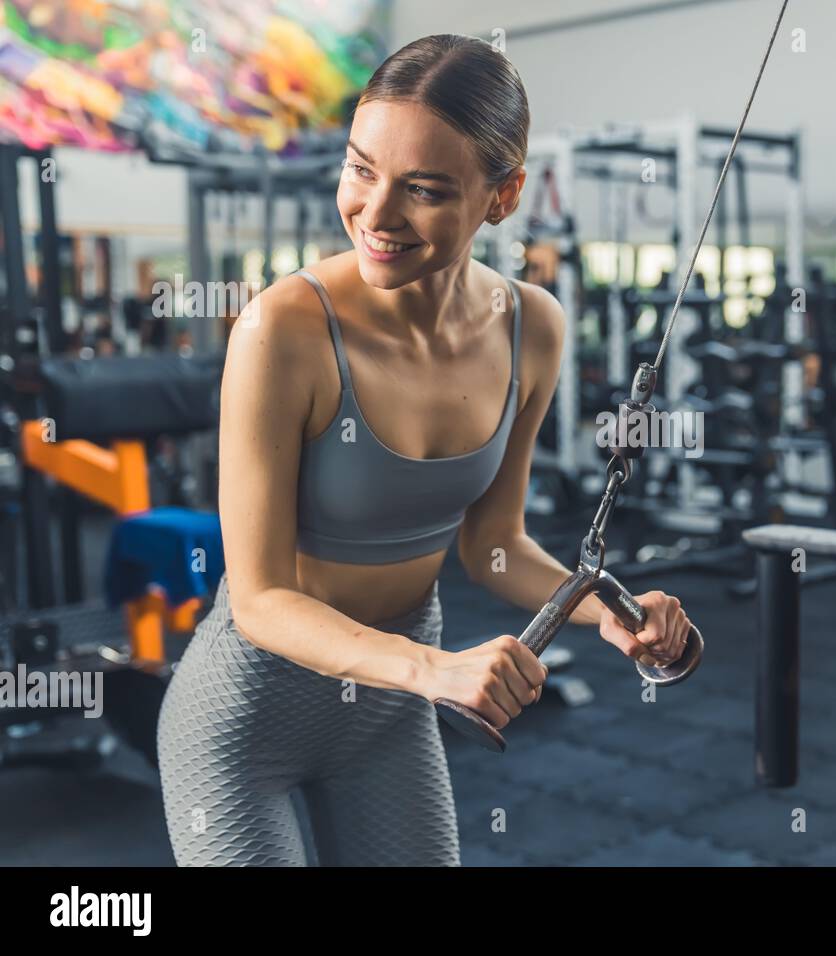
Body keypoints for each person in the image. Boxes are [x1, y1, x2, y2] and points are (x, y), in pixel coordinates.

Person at [157, 34, 695, 867]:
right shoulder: (283, 330)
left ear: (503, 195)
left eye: (425, 190)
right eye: (360, 169)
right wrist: (434, 670)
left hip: (384, 721)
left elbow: (493, 545)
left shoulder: (532, 328)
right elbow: (261, 601)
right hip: (247, 717)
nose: (375, 214)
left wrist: (615, 616)